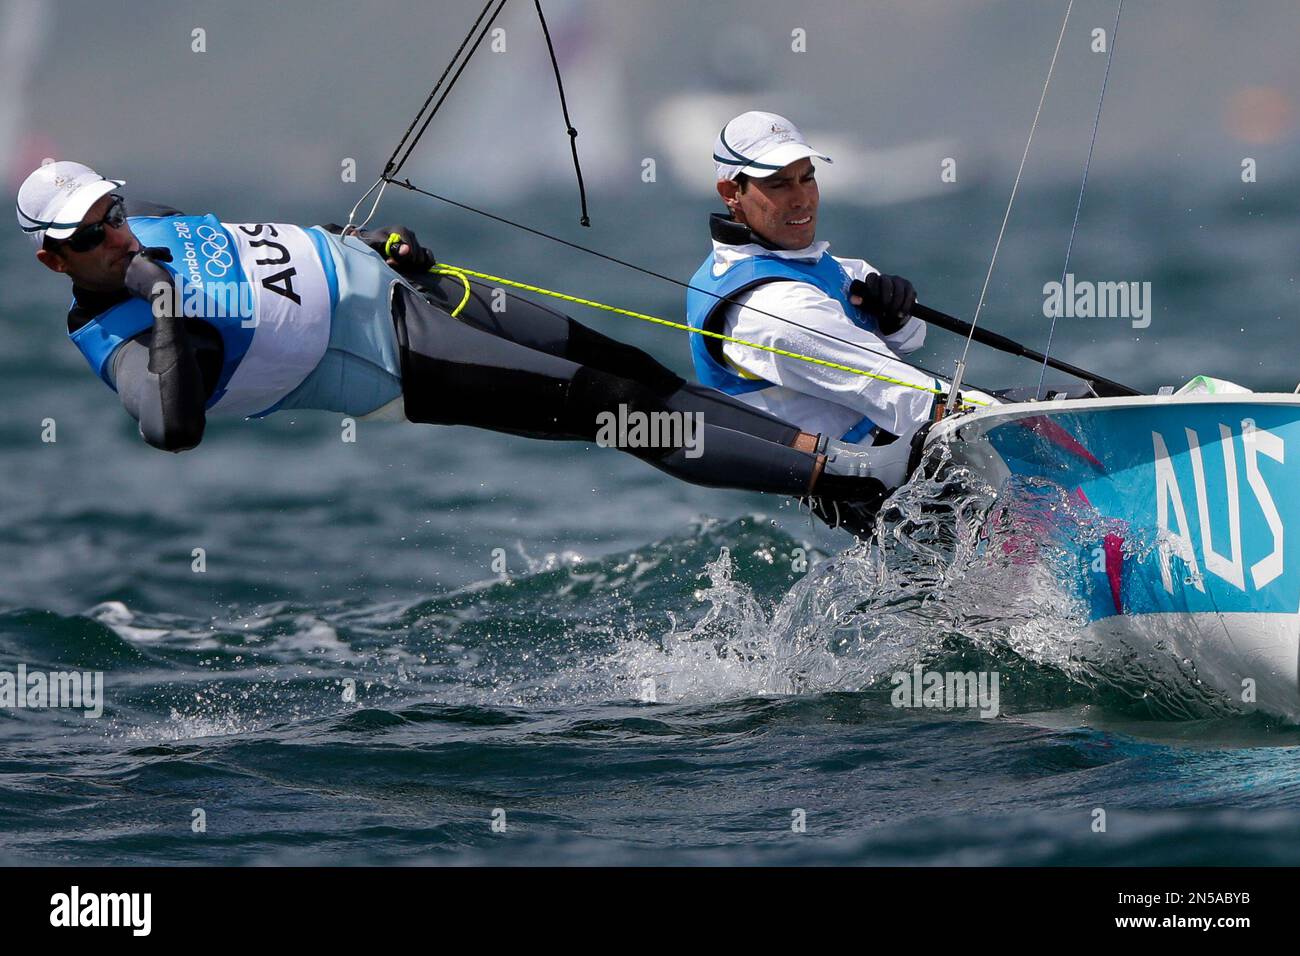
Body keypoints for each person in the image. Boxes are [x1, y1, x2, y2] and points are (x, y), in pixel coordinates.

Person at [18, 160, 893, 532]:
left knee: (634, 372)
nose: (119, 237)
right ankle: (854, 479)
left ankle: (838, 469)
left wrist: (363, 241)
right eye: (93, 237)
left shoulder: (148, 224)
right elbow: (170, 429)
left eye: (115, 212)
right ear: (52, 256)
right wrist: (166, 307)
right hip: (398, 360)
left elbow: (260, 243)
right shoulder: (116, 335)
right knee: (615, 412)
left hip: (418, 288)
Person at [686, 111, 998, 492]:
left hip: (908, 456)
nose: (801, 199)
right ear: (731, 193)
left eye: (807, 177)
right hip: (893, 488)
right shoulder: (772, 308)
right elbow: (902, 396)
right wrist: (1016, 425)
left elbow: (910, 341)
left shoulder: (799, 262)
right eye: (778, 184)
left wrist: (895, 318)